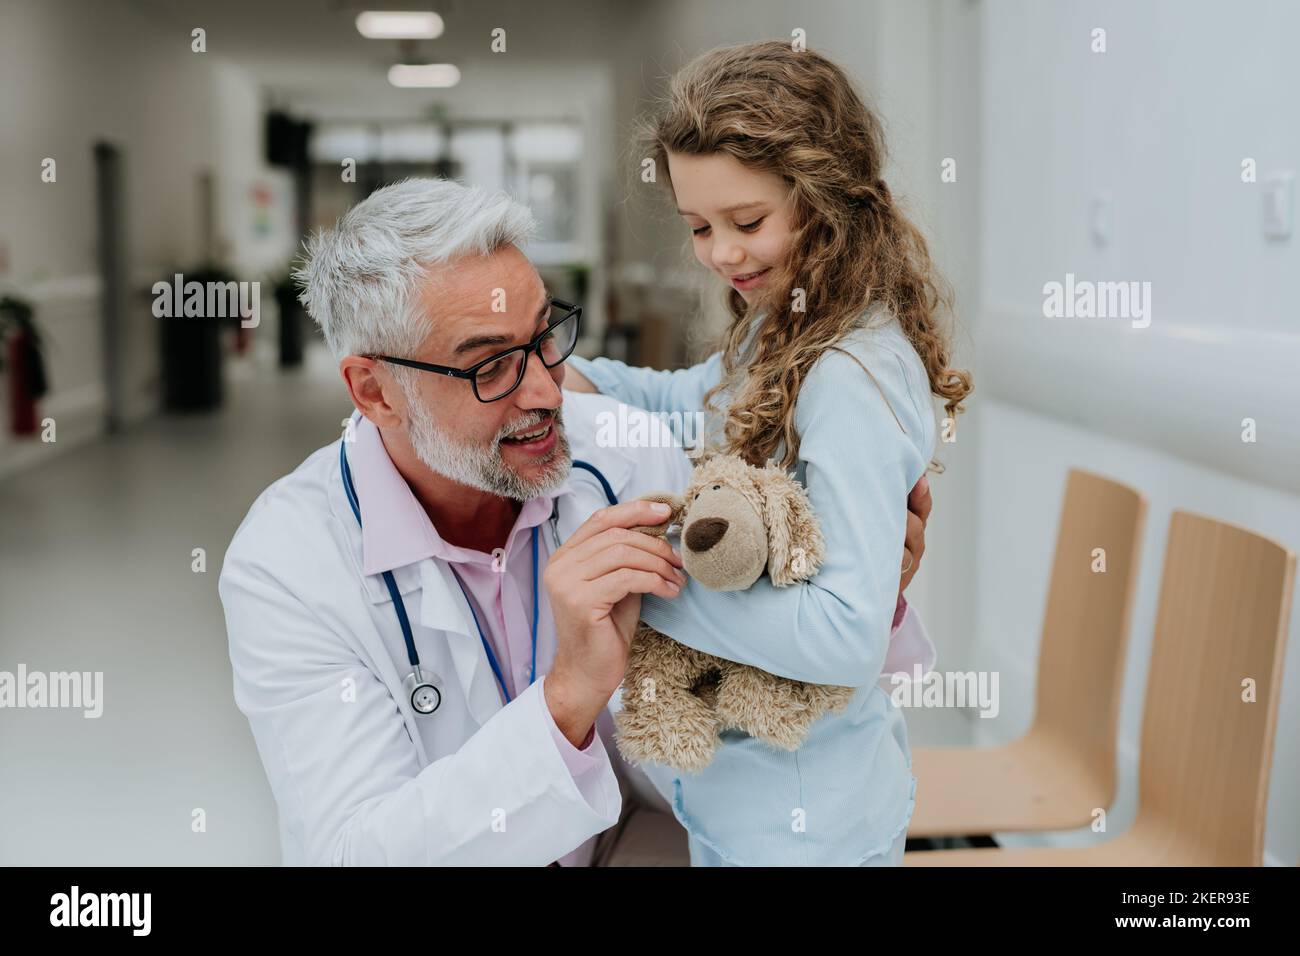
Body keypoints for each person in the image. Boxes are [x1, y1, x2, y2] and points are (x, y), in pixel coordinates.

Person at [218, 176, 932, 866]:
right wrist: (567, 697)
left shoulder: (623, 455)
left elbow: (780, 675)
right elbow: (352, 853)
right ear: (376, 391)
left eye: (545, 337)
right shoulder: (287, 564)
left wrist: (862, 586)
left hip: (631, 839)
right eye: (490, 367)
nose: (546, 391)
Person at [563, 41, 971, 865]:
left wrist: (645, 586)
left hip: (804, 822)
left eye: (747, 222)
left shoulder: (849, 375)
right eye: (699, 227)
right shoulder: (782, 326)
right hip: (751, 803)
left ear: (827, 198)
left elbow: (846, 637)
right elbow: (694, 399)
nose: (722, 252)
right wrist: (571, 376)